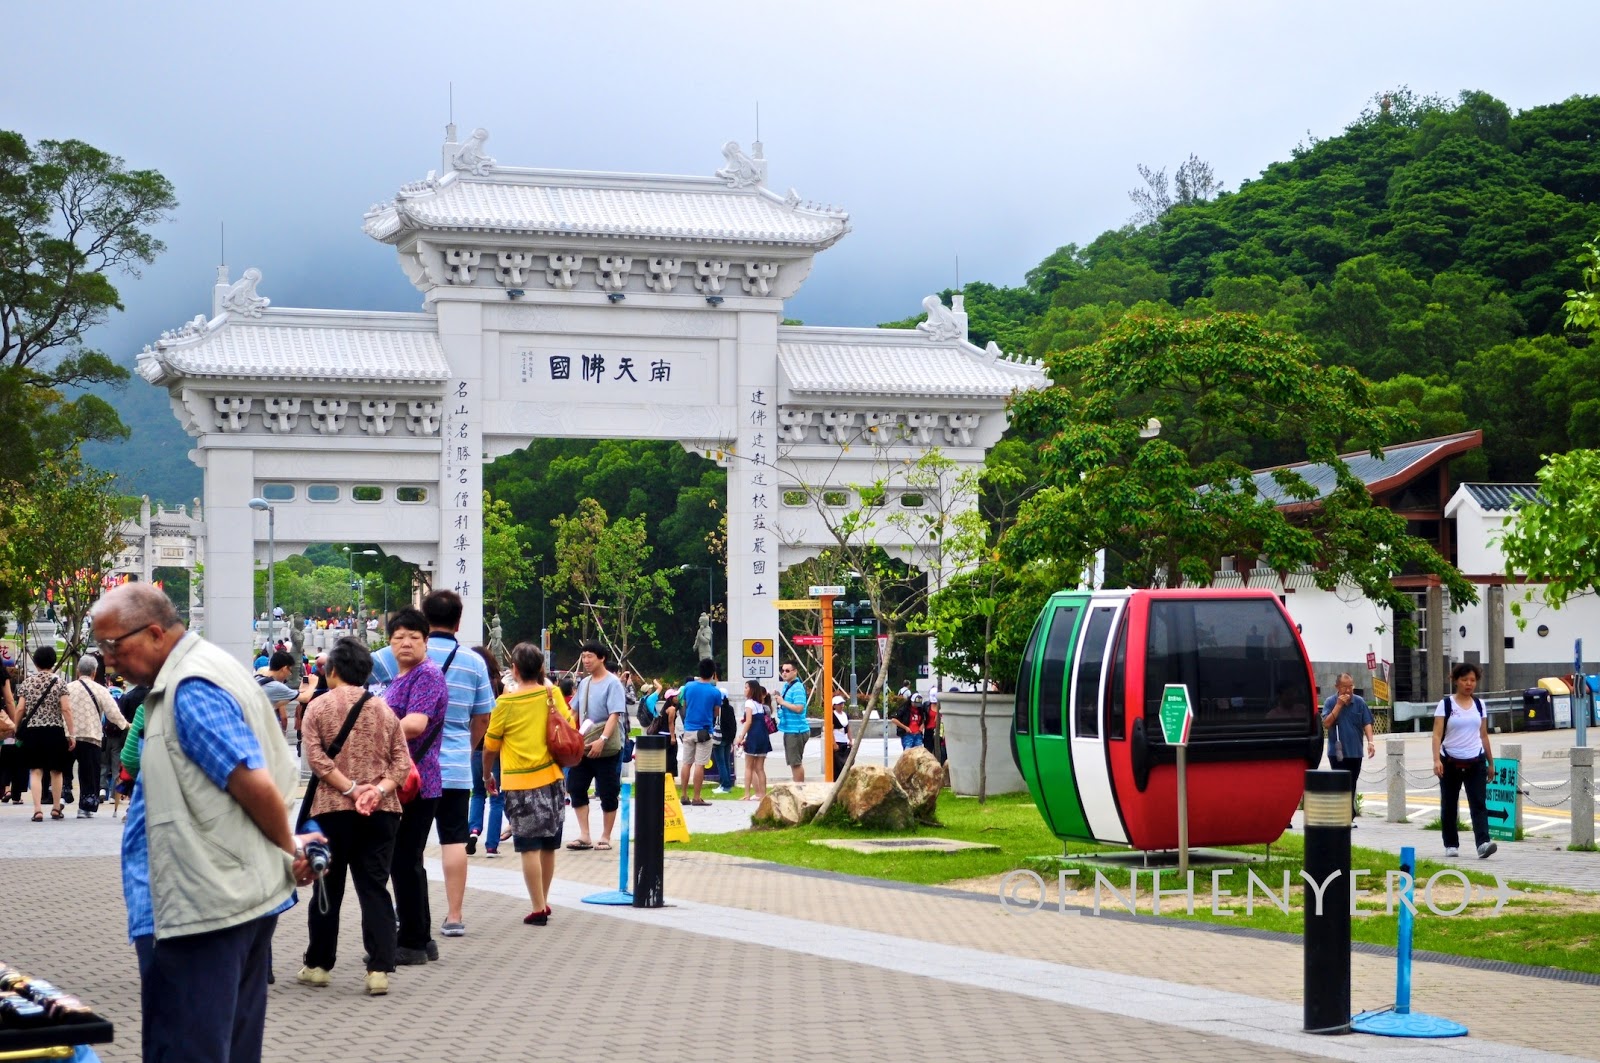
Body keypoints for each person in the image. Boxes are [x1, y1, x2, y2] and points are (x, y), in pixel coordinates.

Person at [91, 582, 322, 1063]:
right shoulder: (211, 668)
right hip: (228, 895)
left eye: (112, 645)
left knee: (188, 1049)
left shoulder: (189, 687)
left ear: (154, 633)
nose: (106, 658)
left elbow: (252, 783)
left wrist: (290, 845)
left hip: (205, 906)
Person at [370, 590, 494, 940]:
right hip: (453, 765)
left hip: (408, 767)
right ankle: (454, 915)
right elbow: (483, 716)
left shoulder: (394, 653)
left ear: (424, 623)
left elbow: (357, 674)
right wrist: (467, 748)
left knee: (408, 849)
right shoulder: (473, 662)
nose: (405, 642)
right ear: (458, 621)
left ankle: (406, 918)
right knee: (454, 838)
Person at [297, 637, 411, 996]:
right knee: (374, 887)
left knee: (327, 887)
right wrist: (375, 791)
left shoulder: (318, 707)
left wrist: (349, 789)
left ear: (332, 671)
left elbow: (315, 759)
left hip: (332, 811)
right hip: (381, 812)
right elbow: (402, 764)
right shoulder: (385, 710)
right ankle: (379, 968)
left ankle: (318, 965)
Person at [374, 607, 450, 965]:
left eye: (414, 637)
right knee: (407, 862)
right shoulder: (403, 676)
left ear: (425, 641)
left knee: (404, 862)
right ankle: (421, 937)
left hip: (417, 783)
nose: (405, 643)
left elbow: (416, 724)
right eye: (399, 637)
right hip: (408, 780)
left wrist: (370, 729)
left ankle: (414, 942)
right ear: (389, 642)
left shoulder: (427, 674)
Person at [483, 643, 574, 925]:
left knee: (528, 847)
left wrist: (487, 775)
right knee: (548, 845)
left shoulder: (505, 704)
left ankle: (537, 908)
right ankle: (543, 902)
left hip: (519, 783)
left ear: (515, 669)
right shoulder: (553, 694)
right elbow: (569, 723)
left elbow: (490, 746)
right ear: (542, 669)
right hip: (553, 779)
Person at [1433, 662, 1497, 860]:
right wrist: (1436, 760)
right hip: (1450, 760)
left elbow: (1484, 735)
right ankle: (1451, 844)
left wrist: (1490, 762)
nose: (1469, 684)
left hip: (1475, 760)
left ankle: (1483, 843)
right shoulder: (1446, 705)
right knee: (1450, 804)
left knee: (1478, 803)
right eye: (1464, 680)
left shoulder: (1480, 705)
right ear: (1455, 681)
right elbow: (1436, 735)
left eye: (1472, 680)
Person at [567, 641, 627, 849]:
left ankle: (606, 836)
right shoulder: (584, 683)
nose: (586, 661)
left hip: (606, 747)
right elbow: (573, 711)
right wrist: (564, 730)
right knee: (575, 786)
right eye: (584, 657)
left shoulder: (613, 683)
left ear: (601, 658)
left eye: (590, 656)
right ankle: (584, 835)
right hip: (583, 745)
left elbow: (615, 714)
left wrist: (602, 740)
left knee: (609, 791)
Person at [66, 653, 128, 816]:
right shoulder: (100, 690)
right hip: (91, 736)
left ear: (78, 670)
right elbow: (112, 712)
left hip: (69, 736)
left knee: (65, 769)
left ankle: (63, 795)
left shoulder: (68, 688)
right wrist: (125, 725)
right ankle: (85, 806)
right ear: (94, 672)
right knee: (89, 772)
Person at [17, 646, 74, 822]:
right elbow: (66, 708)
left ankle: (37, 810)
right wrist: (71, 733)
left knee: (35, 771)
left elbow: (20, 708)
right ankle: (56, 808)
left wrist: (16, 727)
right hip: (54, 730)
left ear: (36, 662)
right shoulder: (60, 683)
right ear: (53, 662)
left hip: (33, 732)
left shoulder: (28, 682)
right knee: (57, 771)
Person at [468, 644, 507, 857]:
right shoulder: (500, 687)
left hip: (475, 745)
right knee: (497, 796)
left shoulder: (471, 686)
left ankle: (473, 830)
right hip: (496, 747)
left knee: (477, 792)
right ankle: (491, 844)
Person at [1321, 673, 1375, 821]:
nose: (1348, 690)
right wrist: (1338, 705)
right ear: (1337, 687)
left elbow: (1367, 723)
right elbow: (1326, 723)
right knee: (1340, 784)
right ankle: (1343, 816)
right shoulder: (1330, 701)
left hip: (1355, 751)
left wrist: (1371, 742)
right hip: (1337, 752)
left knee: (1351, 784)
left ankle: (1348, 817)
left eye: (1351, 686)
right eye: (1344, 687)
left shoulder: (1359, 702)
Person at [677, 658, 721, 805]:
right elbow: (716, 712)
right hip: (705, 731)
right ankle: (696, 797)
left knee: (686, 763)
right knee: (700, 764)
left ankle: (683, 795)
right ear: (713, 673)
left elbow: (685, 703)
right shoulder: (715, 692)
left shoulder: (688, 686)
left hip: (688, 729)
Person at [733, 680, 772, 801]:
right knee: (760, 768)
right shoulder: (760, 704)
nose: (744, 690)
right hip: (763, 736)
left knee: (748, 767)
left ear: (751, 690)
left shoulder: (749, 703)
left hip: (753, 736)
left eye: (746, 688)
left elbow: (748, 721)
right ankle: (763, 794)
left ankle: (747, 794)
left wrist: (741, 736)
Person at [776, 661, 809, 782]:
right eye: (782, 670)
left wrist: (782, 702)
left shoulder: (798, 688)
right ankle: (797, 786)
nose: (784, 673)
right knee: (793, 762)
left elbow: (799, 708)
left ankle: (799, 789)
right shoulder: (787, 686)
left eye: (787, 671)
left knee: (796, 763)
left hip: (796, 730)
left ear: (795, 672)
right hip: (789, 729)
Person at [712, 686, 738, 794]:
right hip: (728, 738)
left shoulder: (717, 708)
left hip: (719, 737)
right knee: (726, 761)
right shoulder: (730, 708)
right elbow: (733, 724)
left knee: (720, 762)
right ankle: (727, 784)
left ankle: (725, 785)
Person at [830, 693, 852, 779]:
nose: (841, 706)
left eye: (842, 704)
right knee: (837, 764)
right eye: (839, 704)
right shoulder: (832, 715)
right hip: (837, 741)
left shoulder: (845, 715)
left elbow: (848, 728)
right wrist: (834, 743)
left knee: (844, 763)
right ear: (834, 705)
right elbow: (830, 730)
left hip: (844, 740)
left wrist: (850, 740)